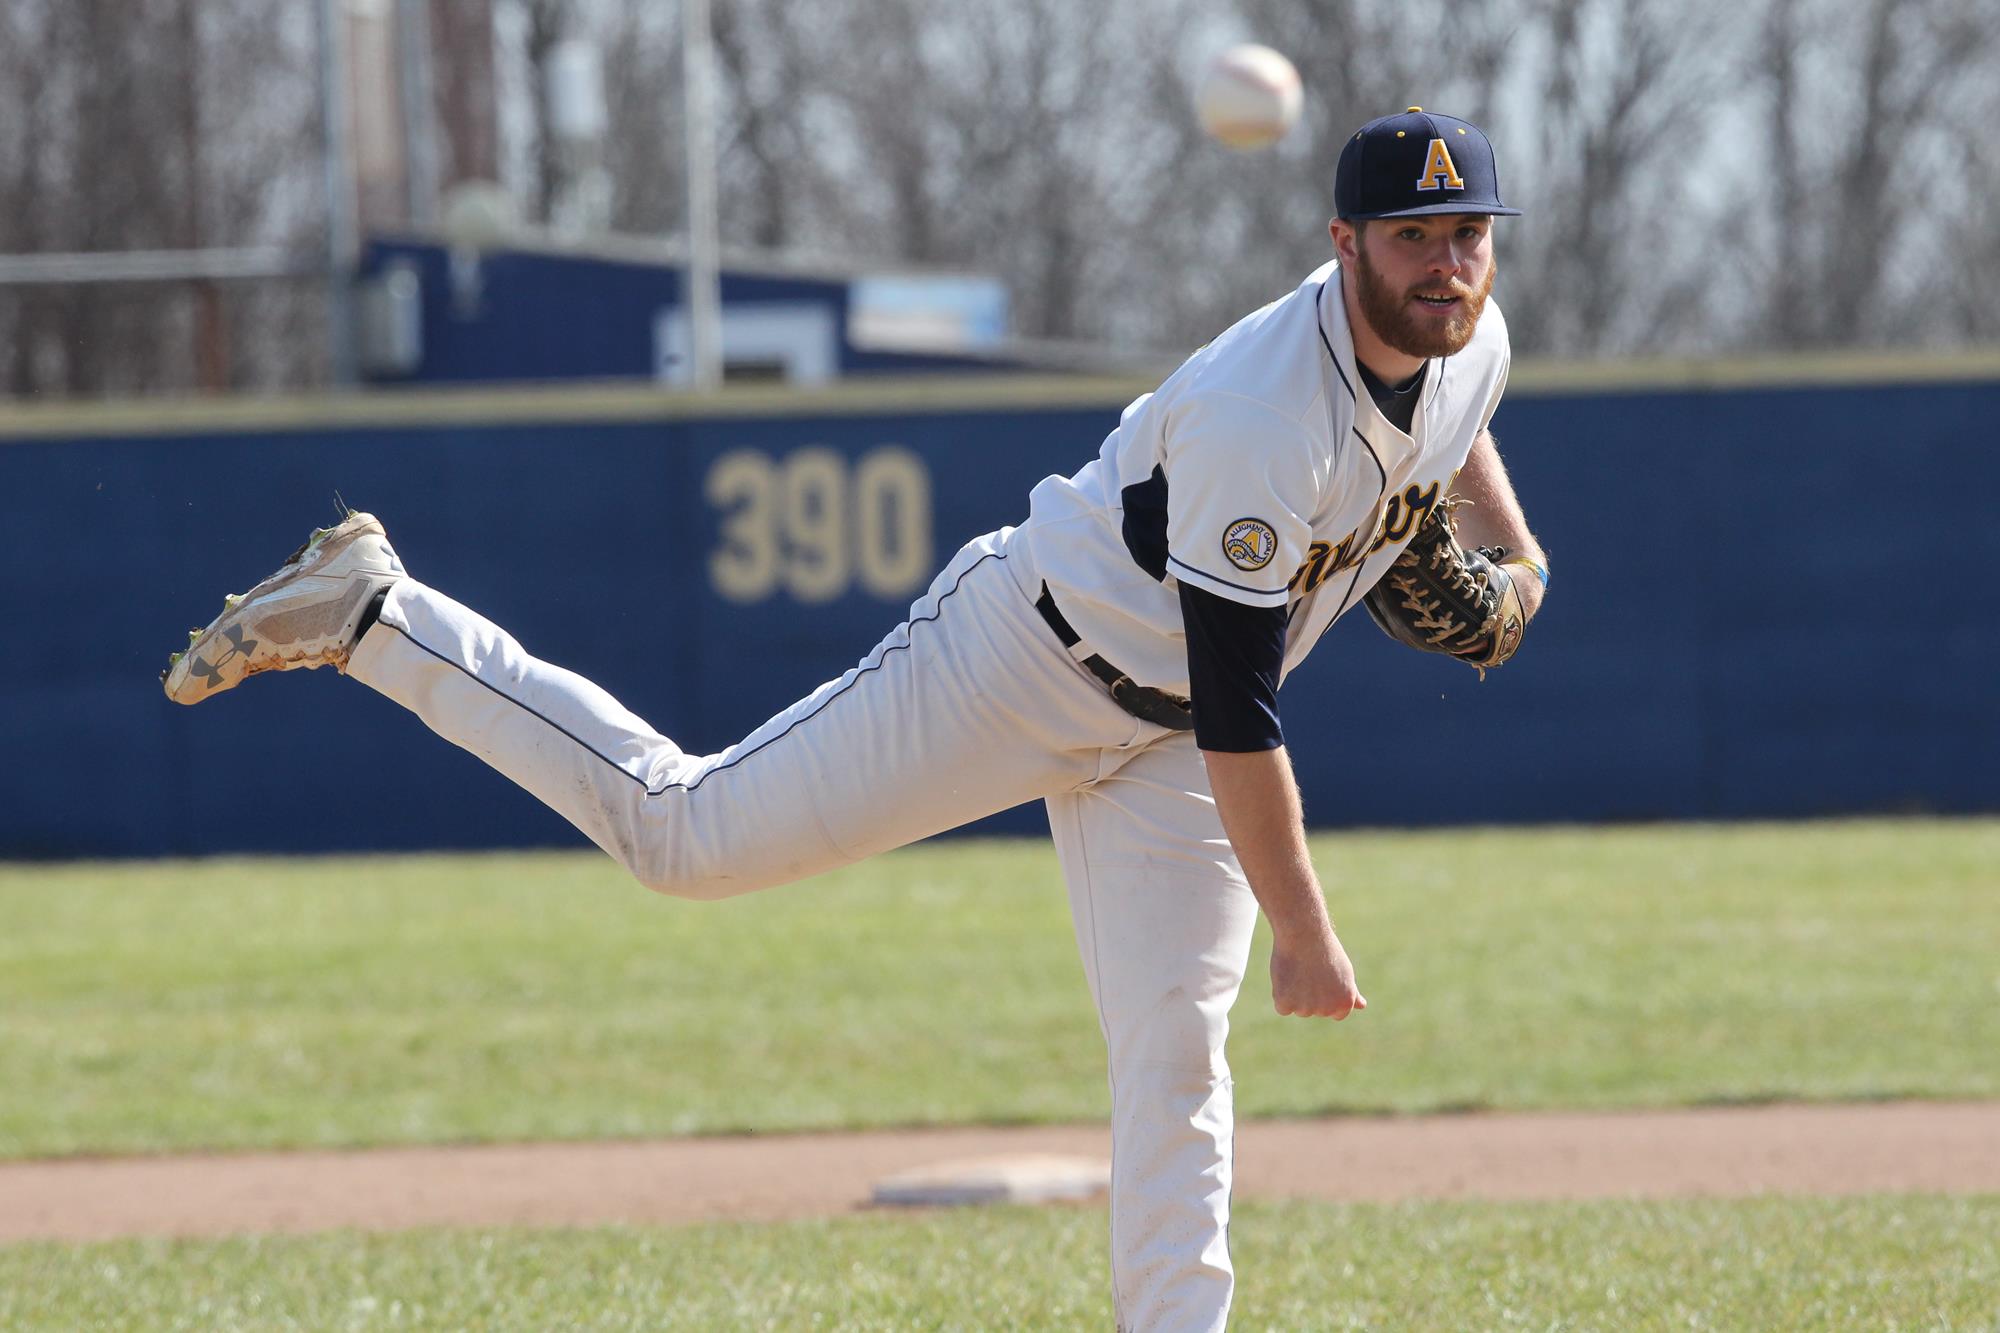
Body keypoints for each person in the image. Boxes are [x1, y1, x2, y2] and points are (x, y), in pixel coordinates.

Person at [164, 106, 1547, 1332]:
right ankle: (376, 613)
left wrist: (1517, 555)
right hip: (1026, 661)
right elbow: (1247, 714)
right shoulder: (1264, 412)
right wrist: (1303, 930)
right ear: (1344, 240)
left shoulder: (1468, 328)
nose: (1448, 261)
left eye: (1469, 229)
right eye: (1415, 234)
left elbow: (1456, 414)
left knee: (1178, 1049)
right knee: (686, 835)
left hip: (1172, 740)